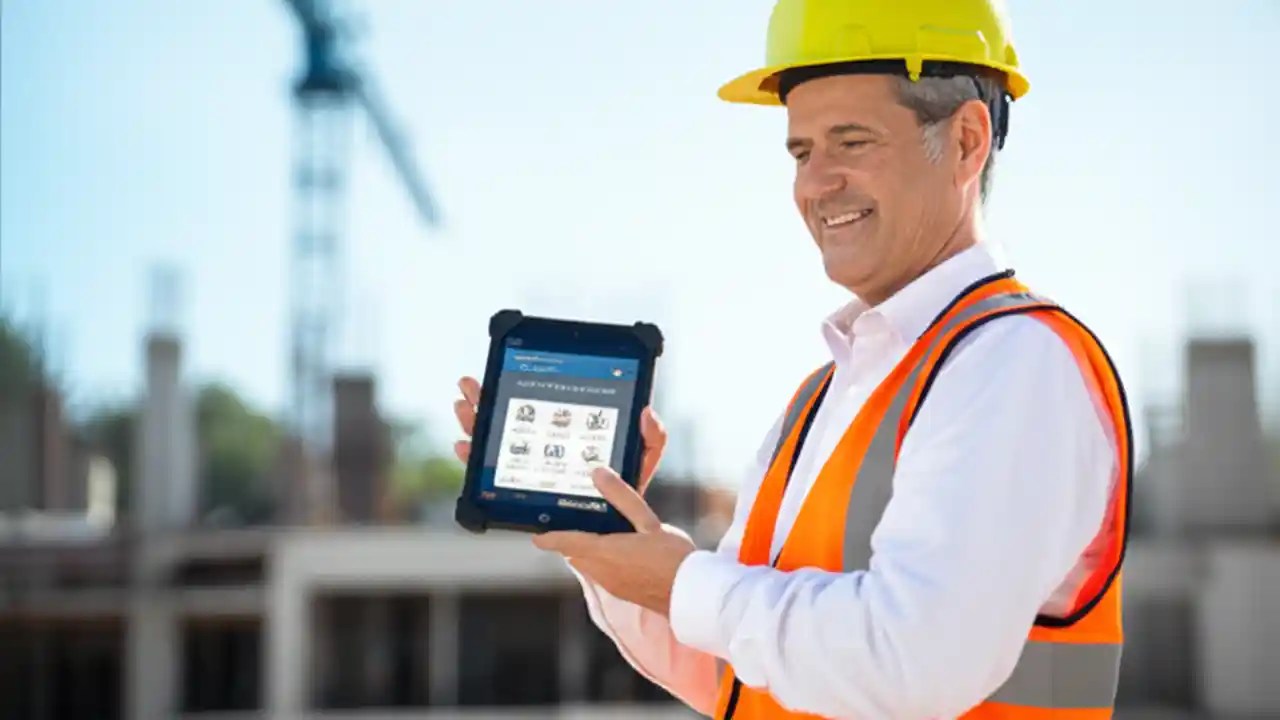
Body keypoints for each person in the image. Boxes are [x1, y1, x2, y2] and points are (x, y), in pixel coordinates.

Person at [452, 1, 1133, 717]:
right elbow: (741, 674)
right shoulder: (826, 396)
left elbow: (913, 660)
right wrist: (606, 534)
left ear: (966, 141)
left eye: (853, 142)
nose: (815, 185)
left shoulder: (1018, 363)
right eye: (803, 152)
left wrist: (686, 584)